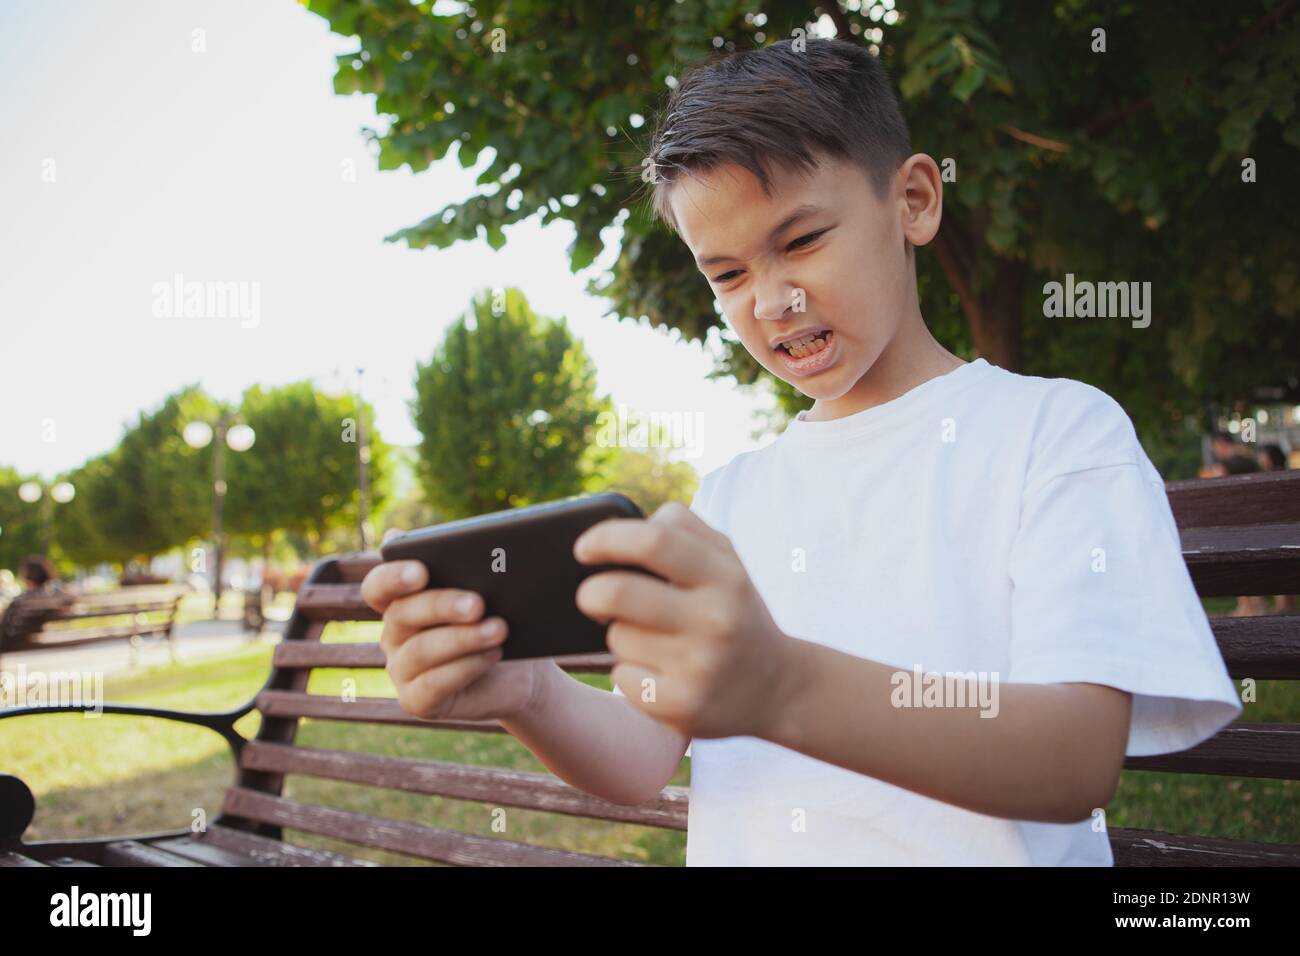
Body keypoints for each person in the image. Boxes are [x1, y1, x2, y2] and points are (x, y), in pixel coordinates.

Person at [361, 39, 1241, 866]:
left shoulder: (1056, 434)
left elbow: (1074, 759)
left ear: (915, 201)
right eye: (728, 274)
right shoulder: (729, 498)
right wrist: (530, 696)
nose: (773, 300)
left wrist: (782, 685)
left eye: (803, 240)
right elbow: (643, 751)